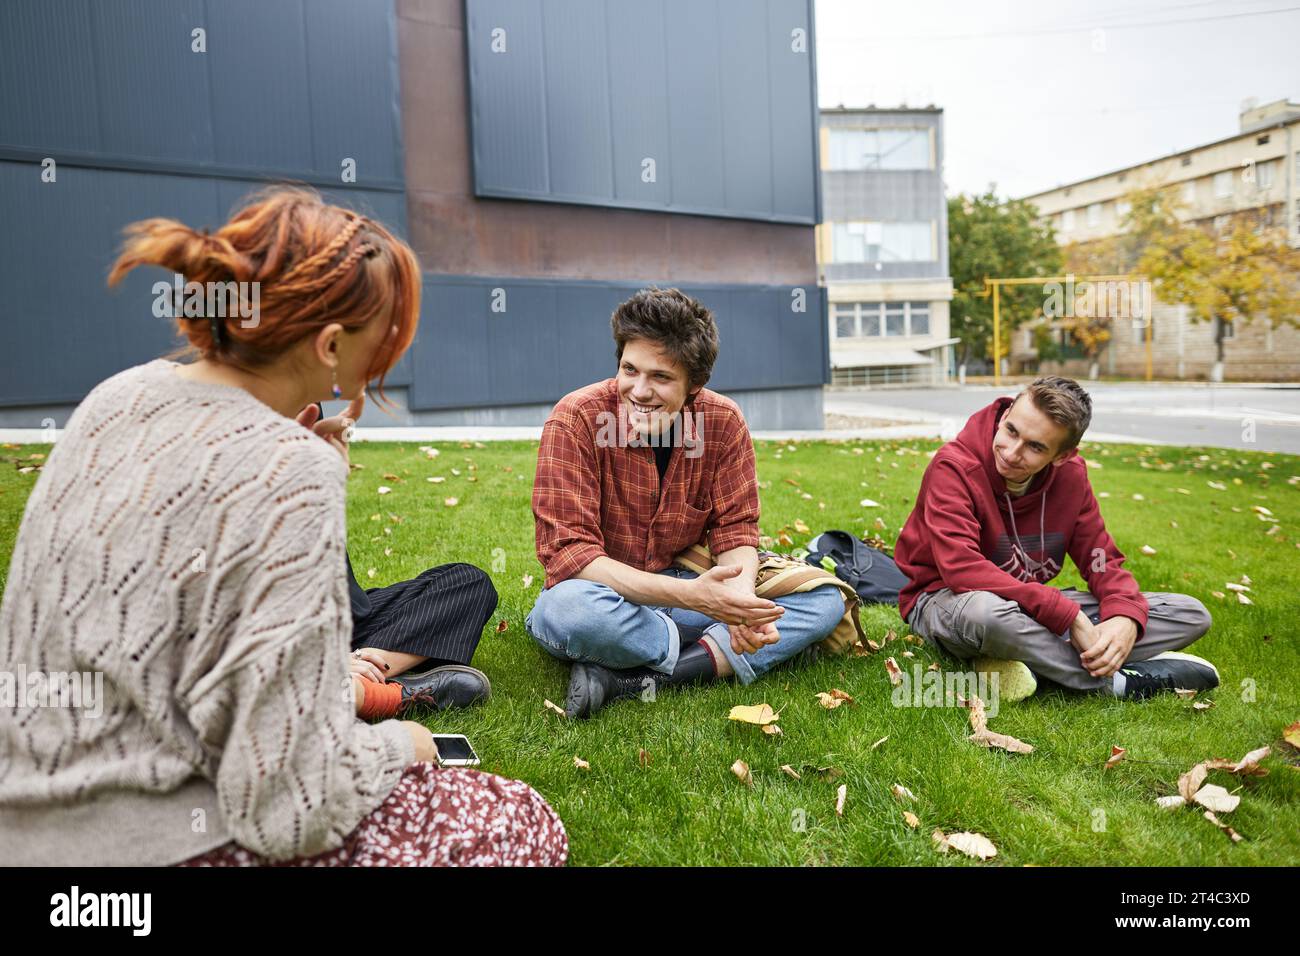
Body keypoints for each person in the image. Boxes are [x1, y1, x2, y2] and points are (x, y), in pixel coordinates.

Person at [0, 187, 567, 866]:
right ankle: (375, 697)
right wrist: (402, 747)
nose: (392, 351)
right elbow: (291, 808)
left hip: (25, 822)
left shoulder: (116, 396)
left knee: (461, 586)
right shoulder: (288, 470)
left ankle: (357, 685)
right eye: (387, 332)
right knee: (520, 820)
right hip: (145, 847)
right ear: (330, 345)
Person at [526, 287, 846, 718]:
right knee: (568, 612)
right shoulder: (576, 418)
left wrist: (738, 604)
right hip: (604, 595)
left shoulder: (723, 421)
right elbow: (571, 556)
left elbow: (736, 531)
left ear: (695, 384)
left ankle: (632, 679)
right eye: (629, 369)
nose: (639, 391)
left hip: (687, 588)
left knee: (825, 600)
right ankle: (717, 654)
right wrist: (703, 602)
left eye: (660, 377)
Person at [894, 375, 1217, 701]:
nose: (1011, 452)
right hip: (945, 601)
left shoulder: (1071, 476)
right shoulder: (954, 467)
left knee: (1190, 613)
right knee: (986, 615)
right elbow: (962, 568)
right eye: (1011, 431)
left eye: (1035, 447)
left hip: (1025, 608)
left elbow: (1100, 558)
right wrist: (1067, 615)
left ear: (1062, 456)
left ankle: (1031, 659)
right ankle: (1113, 681)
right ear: (1006, 415)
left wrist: (1124, 616)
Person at [303, 400, 498, 713]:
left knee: (468, 582)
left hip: (341, 614)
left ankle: (359, 677)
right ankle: (365, 690)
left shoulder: (304, 411)